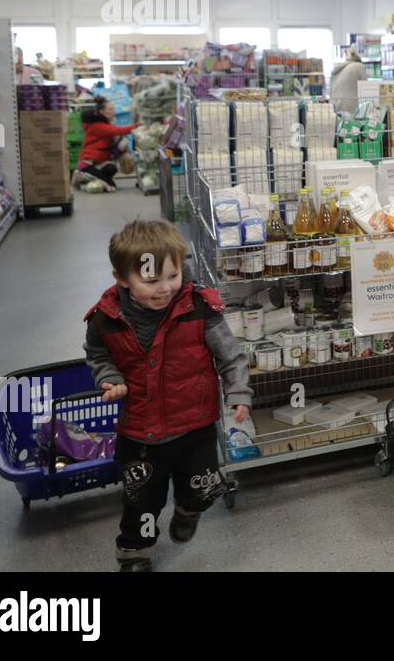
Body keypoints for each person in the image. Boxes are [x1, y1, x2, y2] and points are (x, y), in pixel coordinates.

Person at [83, 220, 253, 571]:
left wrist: (237, 392)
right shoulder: (105, 319)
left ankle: (189, 510)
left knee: (200, 491)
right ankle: (136, 553)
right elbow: (97, 355)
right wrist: (110, 378)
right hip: (139, 432)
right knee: (141, 501)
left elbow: (230, 354)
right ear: (122, 277)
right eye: (151, 280)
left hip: (195, 427)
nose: (164, 289)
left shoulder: (199, 308)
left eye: (172, 276)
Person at [75, 96, 136, 192]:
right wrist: (137, 125)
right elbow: (120, 131)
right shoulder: (98, 126)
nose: (114, 111)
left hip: (100, 161)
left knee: (111, 169)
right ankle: (81, 176)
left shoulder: (106, 123)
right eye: (110, 109)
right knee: (112, 186)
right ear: (102, 112)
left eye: (113, 108)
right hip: (88, 163)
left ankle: (96, 179)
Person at [330, 50, 368, 114]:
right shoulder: (359, 66)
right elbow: (366, 87)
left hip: (336, 105)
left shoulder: (341, 68)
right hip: (350, 106)